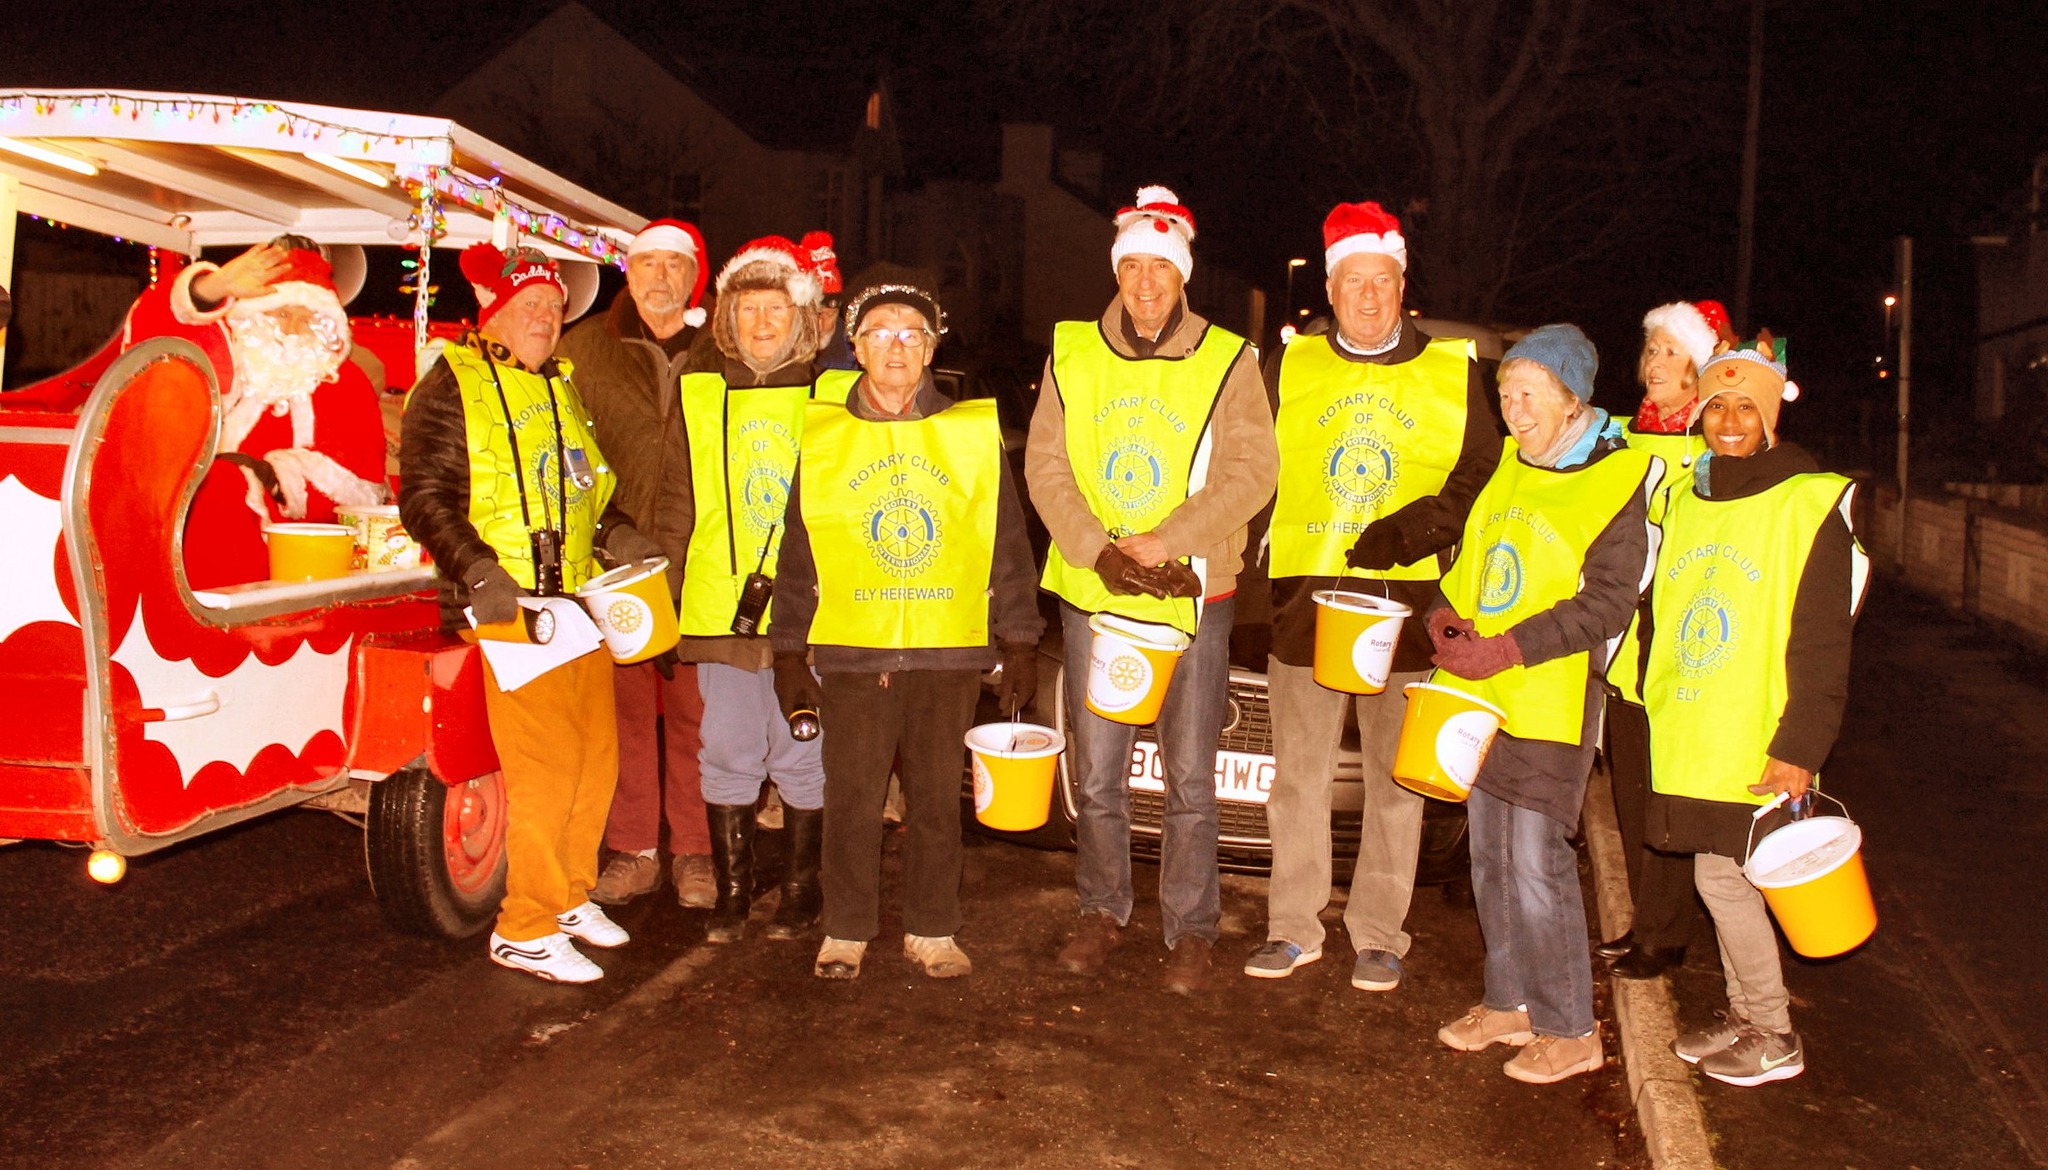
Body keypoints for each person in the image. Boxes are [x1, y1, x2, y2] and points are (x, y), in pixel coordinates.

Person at [1025, 186, 1279, 995]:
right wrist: (1097, 552)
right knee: (1099, 771)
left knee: (1190, 777)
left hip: (1192, 591)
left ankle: (1192, 927)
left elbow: (1255, 470)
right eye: (1132, 265)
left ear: (1182, 276)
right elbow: (1045, 464)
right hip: (1096, 592)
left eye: (1160, 268)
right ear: (1116, 270)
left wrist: (1170, 540)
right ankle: (1101, 910)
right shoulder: (1071, 351)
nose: (1144, 282)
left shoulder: (1229, 359)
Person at [1251, 201, 1498, 991]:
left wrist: (1420, 528)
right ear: (1330, 288)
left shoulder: (1453, 372)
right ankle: (1293, 927)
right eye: (1353, 281)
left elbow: (1481, 472)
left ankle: (1380, 932)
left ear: (1401, 285)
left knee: (1396, 780)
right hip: (1308, 598)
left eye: (1382, 281)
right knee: (1299, 776)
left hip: (1409, 603)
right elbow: (1250, 468)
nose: (1367, 296)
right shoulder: (1289, 365)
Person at [771, 284, 1044, 980]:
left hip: (944, 648)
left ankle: (933, 928)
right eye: (880, 331)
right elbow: (799, 550)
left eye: (912, 332)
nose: (896, 345)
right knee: (851, 799)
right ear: (856, 347)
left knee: (935, 800)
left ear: (931, 348)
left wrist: (1019, 638)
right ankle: (846, 929)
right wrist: (788, 652)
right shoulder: (825, 439)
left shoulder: (968, 436)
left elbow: (1007, 542)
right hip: (855, 650)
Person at [1426, 325, 1661, 1083]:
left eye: (1529, 395)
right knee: (1490, 858)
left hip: (1553, 702)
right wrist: (1445, 613)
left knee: (1534, 861)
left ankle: (1571, 1028)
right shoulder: (1509, 463)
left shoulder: (1616, 479)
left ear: (1572, 401)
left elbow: (1608, 603)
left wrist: (1506, 648)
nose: (1514, 410)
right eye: (1506, 395)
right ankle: (1510, 1002)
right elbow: (1476, 559)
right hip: (1483, 698)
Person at [399, 243, 638, 983]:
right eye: (530, 304)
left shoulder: (559, 386)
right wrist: (477, 571)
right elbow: (423, 497)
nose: (544, 317)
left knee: (595, 760)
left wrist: (620, 532)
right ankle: (524, 928)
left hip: (575, 601)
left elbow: (586, 492)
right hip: (506, 605)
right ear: (493, 308)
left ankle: (568, 896)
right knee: (545, 769)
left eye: (554, 307)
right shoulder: (451, 382)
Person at [1644, 335, 1865, 1086]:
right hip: (1700, 732)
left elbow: (1824, 641)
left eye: (1747, 407)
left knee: (1726, 882)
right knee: (1719, 880)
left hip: (1762, 734)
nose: (1730, 421)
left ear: (1771, 417)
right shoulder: (1686, 498)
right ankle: (1750, 1017)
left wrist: (1801, 744)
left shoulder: (1808, 503)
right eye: (1717, 406)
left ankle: (1773, 1033)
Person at [675, 236, 836, 944]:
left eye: (776, 307)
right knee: (728, 747)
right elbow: (675, 500)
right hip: (724, 607)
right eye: (748, 308)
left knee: (803, 747)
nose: (762, 322)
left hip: (812, 612)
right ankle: (734, 895)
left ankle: (802, 889)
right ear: (726, 317)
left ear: (800, 317)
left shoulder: (834, 398)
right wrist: (664, 594)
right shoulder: (698, 393)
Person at [557, 218, 720, 912]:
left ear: (694, 278)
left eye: (674, 265)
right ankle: (633, 849)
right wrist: (604, 532)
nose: (660, 277)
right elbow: (563, 452)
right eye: (647, 263)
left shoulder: (722, 352)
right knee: (622, 714)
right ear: (628, 271)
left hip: (702, 558)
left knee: (696, 717)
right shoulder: (583, 348)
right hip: (613, 560)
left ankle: (695, 851)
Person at [123, 237, 388, 587]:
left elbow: (360, 488)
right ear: (255, 314)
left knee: (223, 485)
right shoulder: (222, 358)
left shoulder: (347, 384)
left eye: (307, 319)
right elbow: (154, 337)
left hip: (299, 556)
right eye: (282, 314)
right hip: (188, 531)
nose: (290, 330)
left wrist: (272, 476)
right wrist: (212, 287)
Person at [1597, 299, 1730, 980]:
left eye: (1673, 352)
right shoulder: (1623, 439)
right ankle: (1645, 921)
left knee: (1667, 797)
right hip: (1624, 644)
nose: (1656, 362)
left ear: (1698, 367)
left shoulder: (1711, 448)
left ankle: (1666, 933)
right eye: (1652, 349)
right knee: (1631, 795)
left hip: (1678, 643)